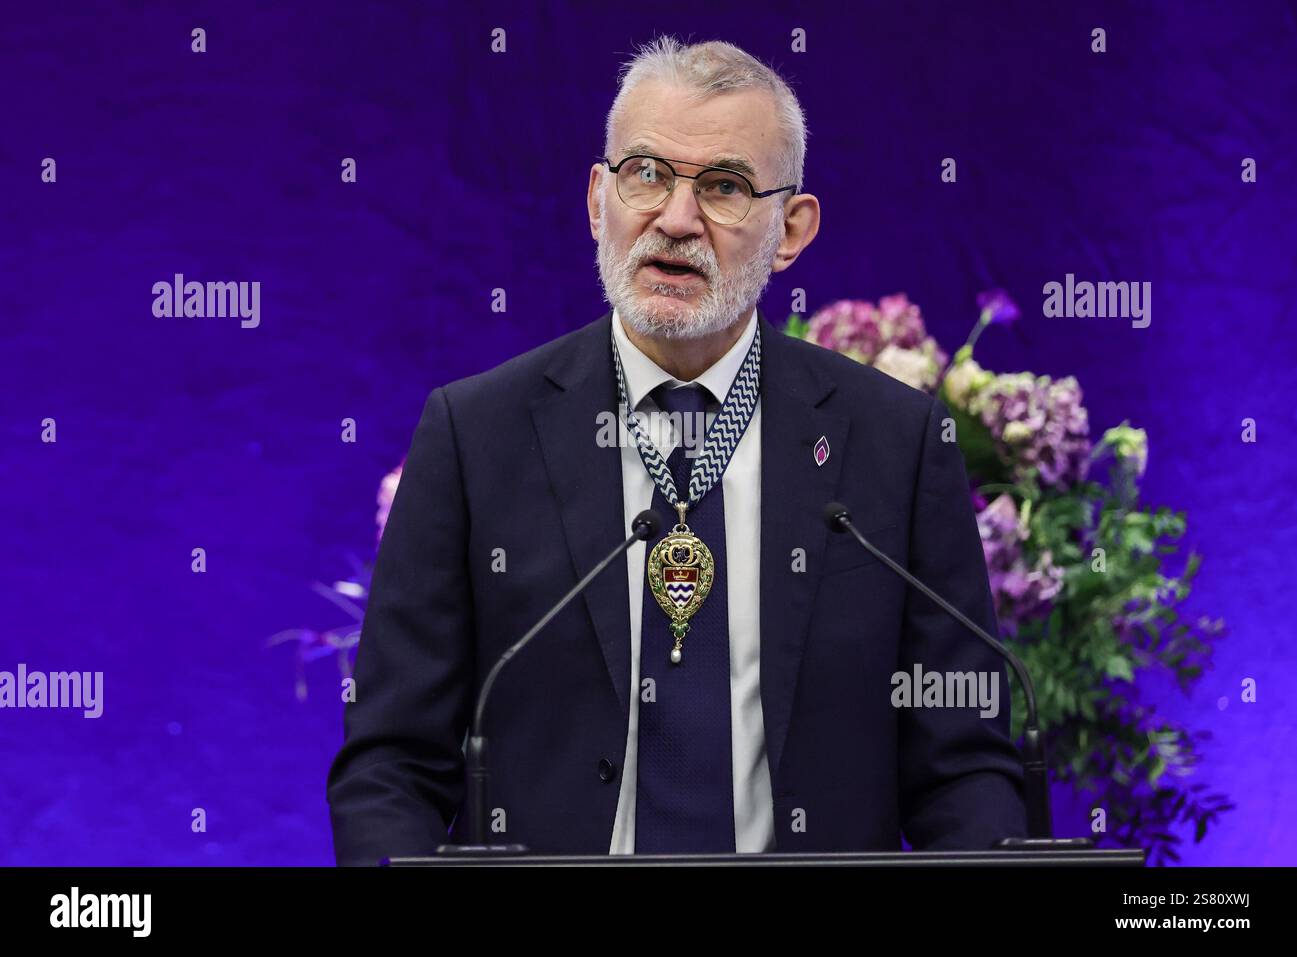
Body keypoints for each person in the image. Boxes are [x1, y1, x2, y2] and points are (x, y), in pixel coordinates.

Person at [326, 36, 1026, 865]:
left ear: (792, 229)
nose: (677, 218)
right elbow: (391, 764)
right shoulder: (476, 437)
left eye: (725, 187)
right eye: (646, 173)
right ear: (598, 199)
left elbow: (965, 768)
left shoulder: (897, 444)